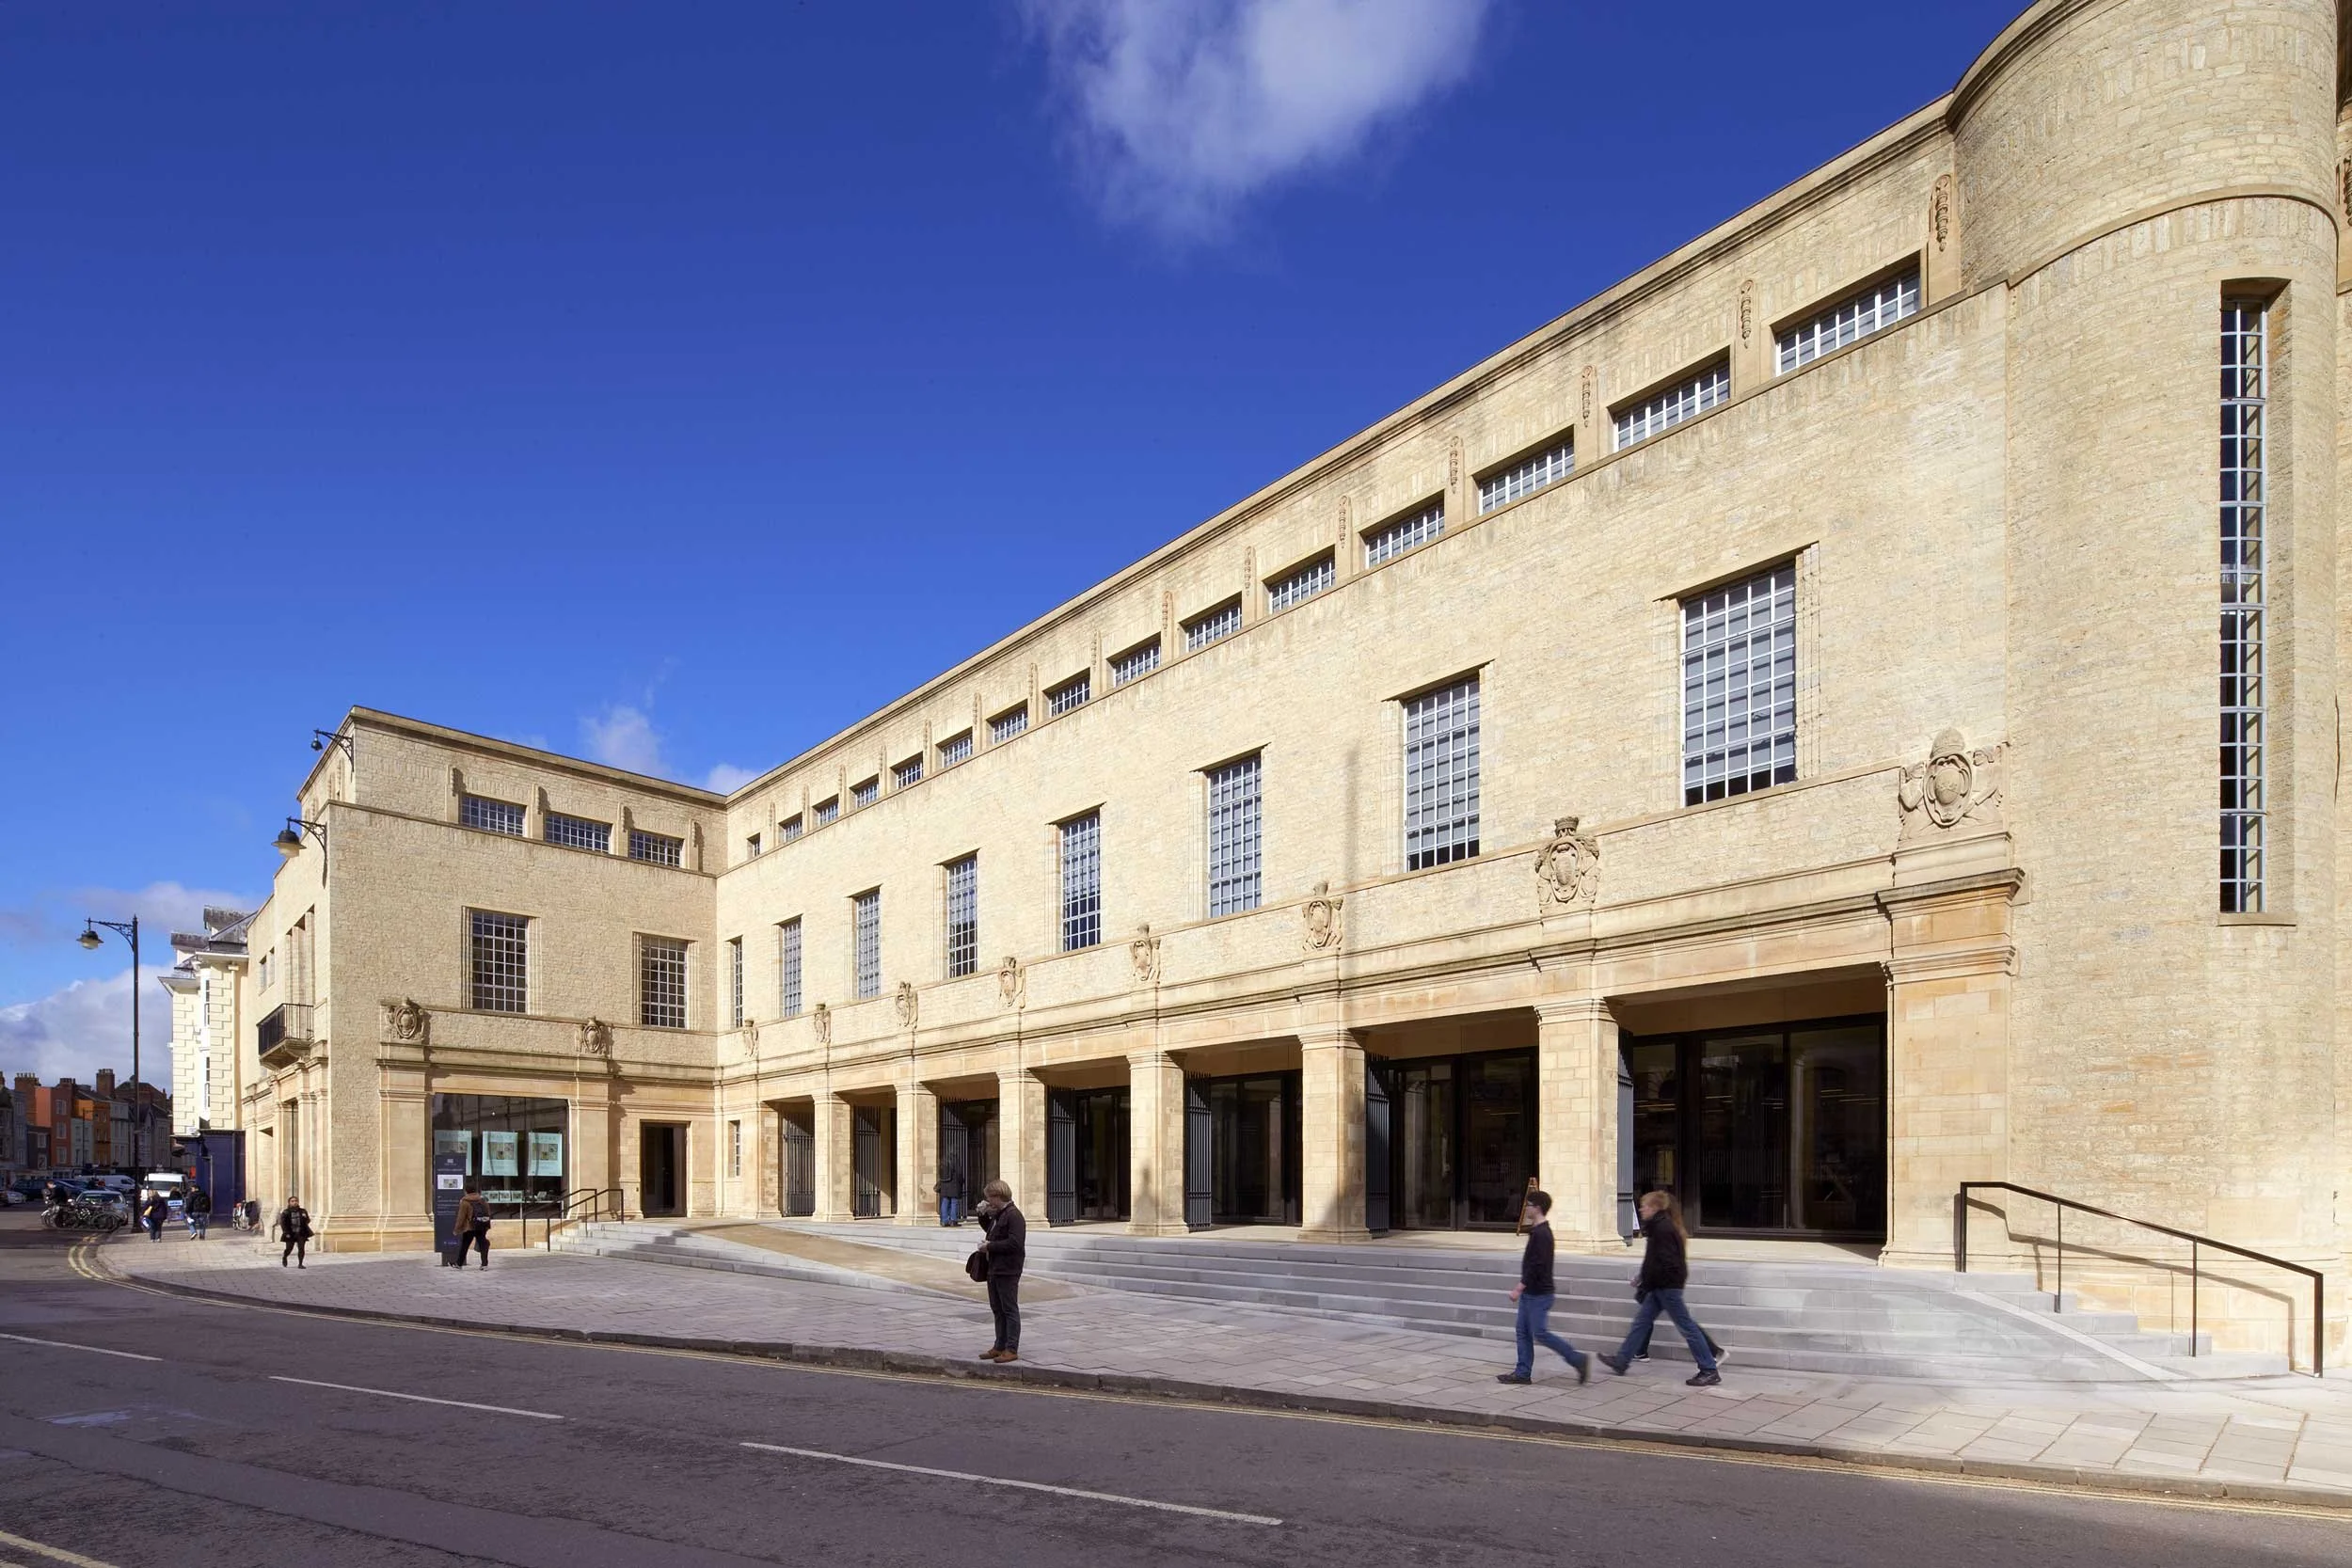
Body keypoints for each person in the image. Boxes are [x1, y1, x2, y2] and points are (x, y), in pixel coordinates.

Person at [1599, 1192, 1721, 1386]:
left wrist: (1652, 1281)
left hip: (1666, 1287)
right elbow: (1654, 1260)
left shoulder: (1663, 1229)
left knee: (1687, 1327)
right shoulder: (1658, 1227)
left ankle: (1709, 1369)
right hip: (1659, 1286)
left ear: (1655, 1208)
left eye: (1645, 1206)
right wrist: (1644, 1278)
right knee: (1641, 1323)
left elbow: (1667, 1262)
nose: (1641, 1209)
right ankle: (1621, 1361)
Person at [1496, 1190, 1590, 1386]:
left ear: (1537, 1208)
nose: (1526, 1208)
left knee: (1540, 1333)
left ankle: (1577, 1359)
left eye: (1529, 1204)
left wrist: (1519, 1287)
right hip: (1531, 1293)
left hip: (1539, 1294)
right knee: (1523, 1332)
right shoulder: (1537, 1232)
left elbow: (1537, 1265)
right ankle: (1522, 1373)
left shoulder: (1542, 1234)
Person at [972, 1179, 1024, 1364]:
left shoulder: (1014, 1215)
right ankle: (999, 1345)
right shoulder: (999, 1215)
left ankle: (1011, 1349)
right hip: (994, 1268)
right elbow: (991, 1231)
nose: (988, 1201)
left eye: (989, 1198)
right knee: (997, 1309)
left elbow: (1015, 1243)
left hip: (1007, 1269)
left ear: (998, 1196)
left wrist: (990, 1246)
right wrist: (982, 1215)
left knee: (1009, 1309)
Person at [453, 1183, 492, 1268]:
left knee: (465, 1245)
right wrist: (487, 1225)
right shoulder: (482, 1199)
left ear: (466, 1191)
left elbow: (461, 1217)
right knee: (482, 1244)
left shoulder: (465, 1201)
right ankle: (484, 1264)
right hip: (481, 1225)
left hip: (470, 1226)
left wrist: (457, 1229)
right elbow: (488, 1212)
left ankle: (459, 1264)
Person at [276, 1195, 313, 1268]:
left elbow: (308, 1220)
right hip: (290, 1233)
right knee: (289, 1248)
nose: (294, 1202)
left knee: (301, 1248)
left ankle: (300, 1264)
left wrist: (304, 1219)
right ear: (289, 1203)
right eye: (292, 1201)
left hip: (301, 1233)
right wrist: (286, 1233)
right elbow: (283, 1223)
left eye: (296, 1201)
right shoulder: (286, 1212)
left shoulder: (303, 1211)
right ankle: (285, 1256)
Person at [935, 1154, 964, 1227]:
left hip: (944, 1184)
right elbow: (959, 1173)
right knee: (954, 1202)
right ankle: (953, 1220)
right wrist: (961, 1181)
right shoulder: (955, 1161)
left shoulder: (943, 1162)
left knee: (945, 1202)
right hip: (954, 1184)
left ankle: (944, 1221)